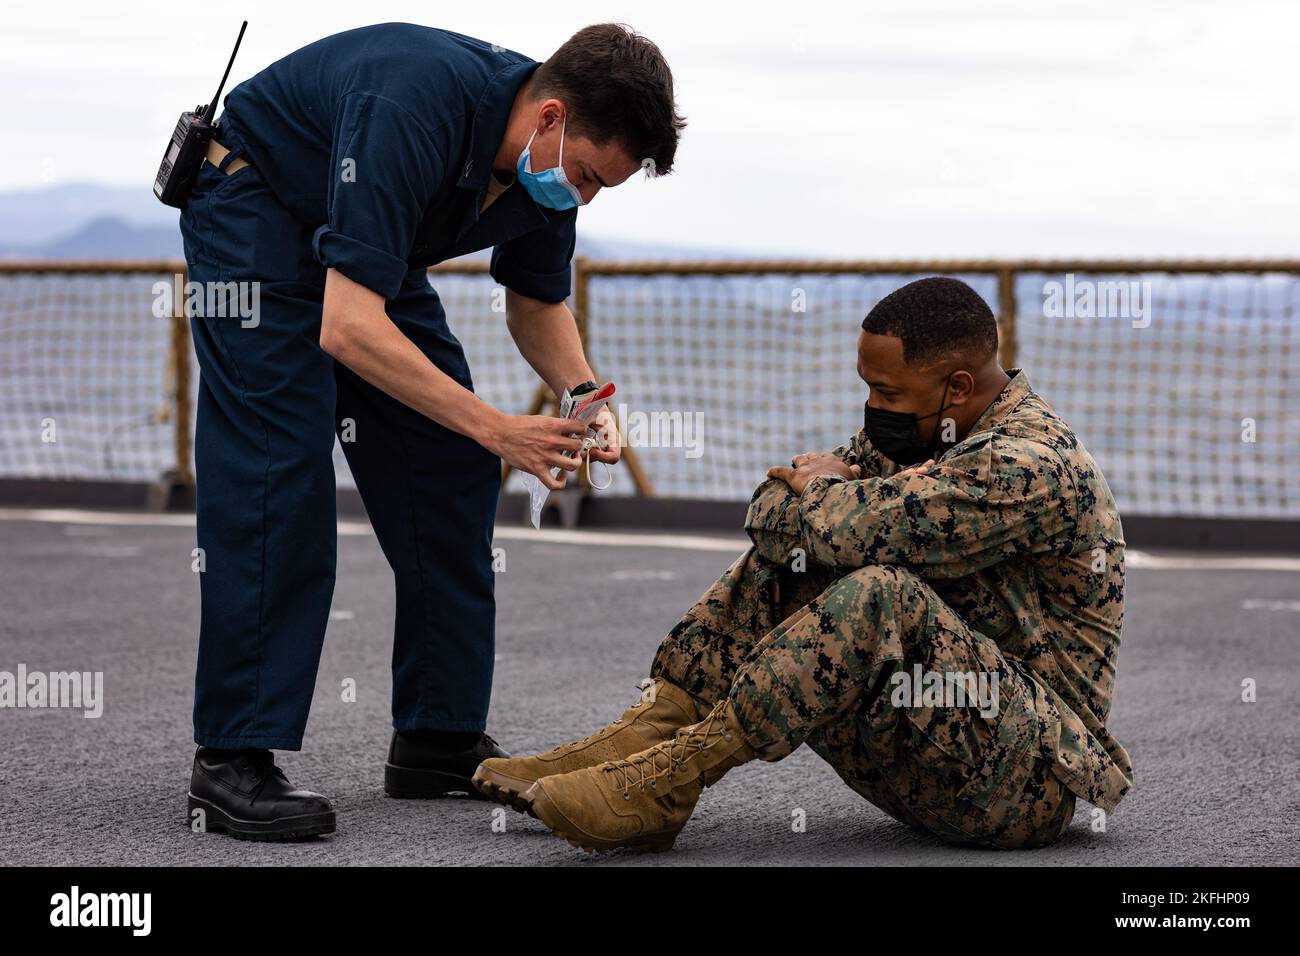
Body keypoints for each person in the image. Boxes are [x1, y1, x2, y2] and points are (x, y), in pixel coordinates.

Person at [180, 22, 684, 840]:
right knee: (281, 471)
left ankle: (436, 736)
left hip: (367, 255)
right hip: (256, 212)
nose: (583, 199)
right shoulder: (409, 102)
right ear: (551, 116)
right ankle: (232, 758)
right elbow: (348, 328)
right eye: (588, 177)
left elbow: (537, 301)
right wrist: (500, 428)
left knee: (449, 460)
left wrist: (583, 392)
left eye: (603, 191)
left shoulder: (546, 168)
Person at [475, 277, 1134, 853]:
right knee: (793, 562)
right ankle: (646, 739)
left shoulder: (1028, 464)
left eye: (886, 391)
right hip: (932, 747)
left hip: (1018, 782)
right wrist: (824, 504)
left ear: (957, 386)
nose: (873, 408)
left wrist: (825, 498)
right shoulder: (927, 428)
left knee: (878, 591)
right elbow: (770, 509)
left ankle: (669, 778)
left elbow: (839, 523)